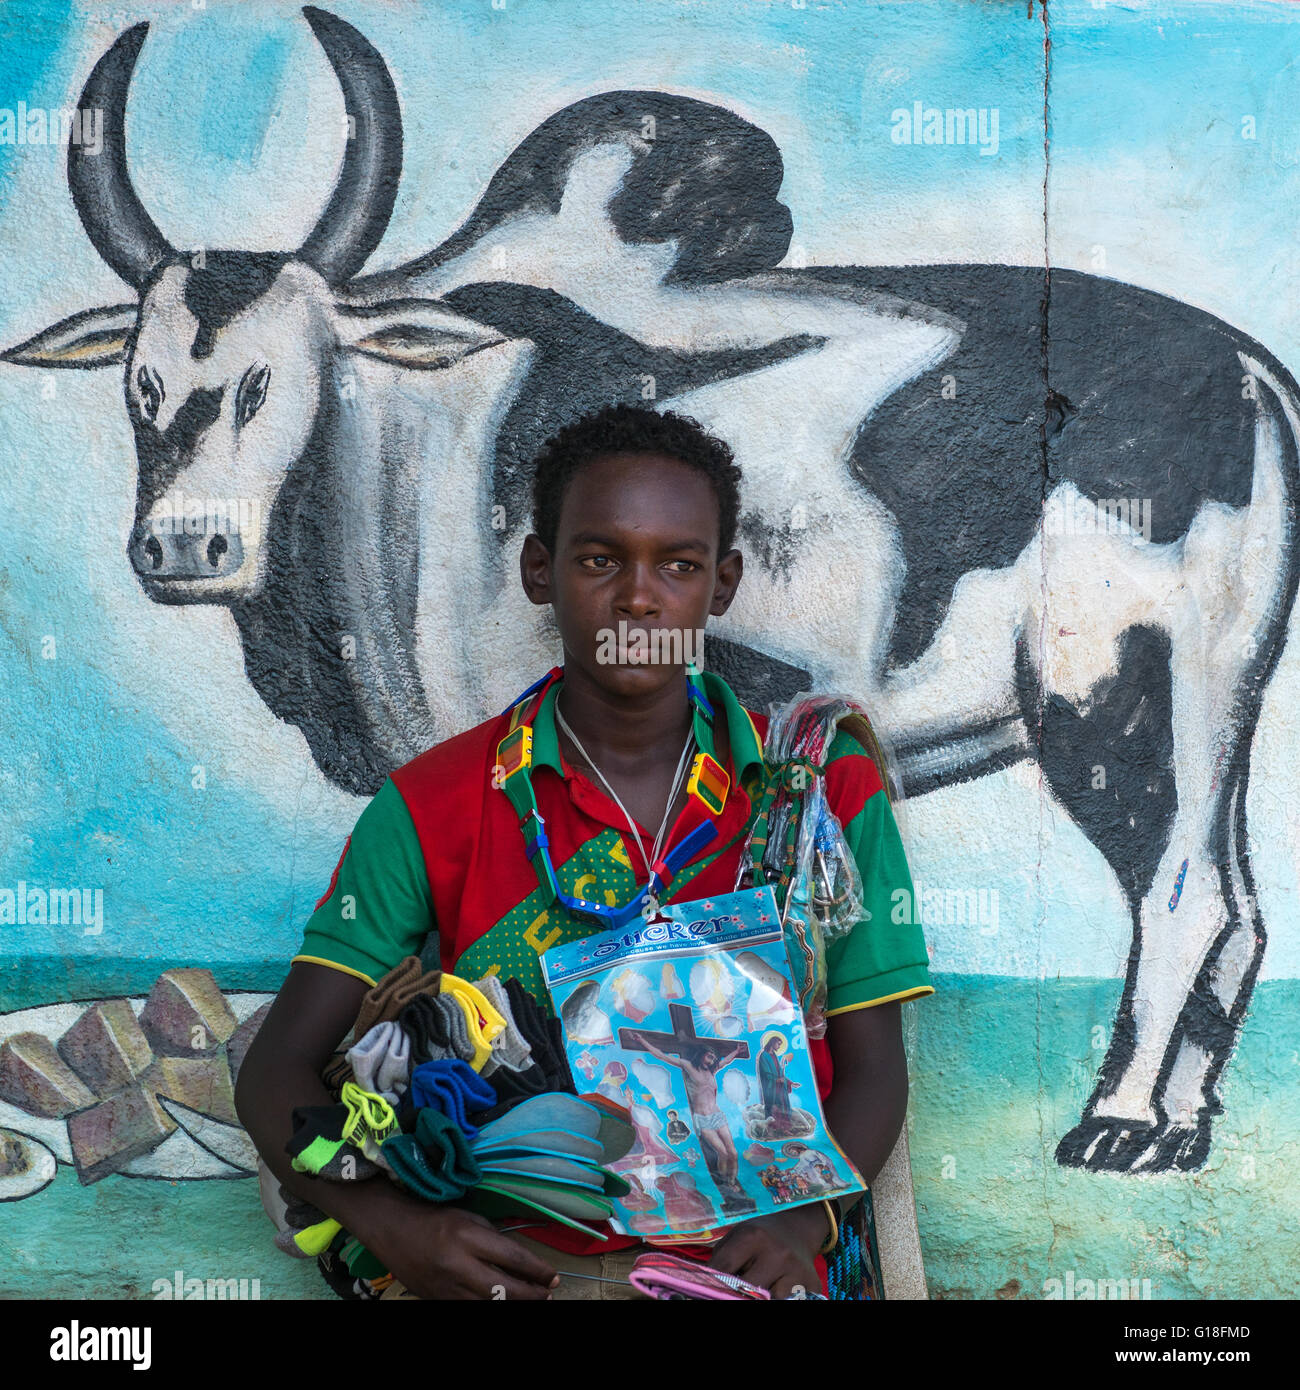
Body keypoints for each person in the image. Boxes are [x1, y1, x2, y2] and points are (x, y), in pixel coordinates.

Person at [235, 402, 933, 1301]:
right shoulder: (435, 803)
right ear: (540, 570)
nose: (639, 597)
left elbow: (876, 1071)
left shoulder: (815, 788)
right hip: (515, 1272)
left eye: (677, 565)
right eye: (600, 558)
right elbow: (275, 1075)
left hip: (743, 1272)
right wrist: (389, 1222)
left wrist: (807, 1220)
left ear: (722, 585)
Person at [757, 1033, 800, 1136]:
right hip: (771, 1088)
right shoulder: (764, 1056)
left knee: (784, 1106)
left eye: (780, 1044)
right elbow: (765, 1073)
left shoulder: (774, 1056)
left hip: (779, 1088)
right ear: (772, 1042)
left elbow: (780, 1073)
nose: (779, 1046)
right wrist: (776, 1080)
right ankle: (773, 1129)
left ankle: (785, 1129)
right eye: (778, 1044)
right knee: (774, 1108)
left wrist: (790, 1083)